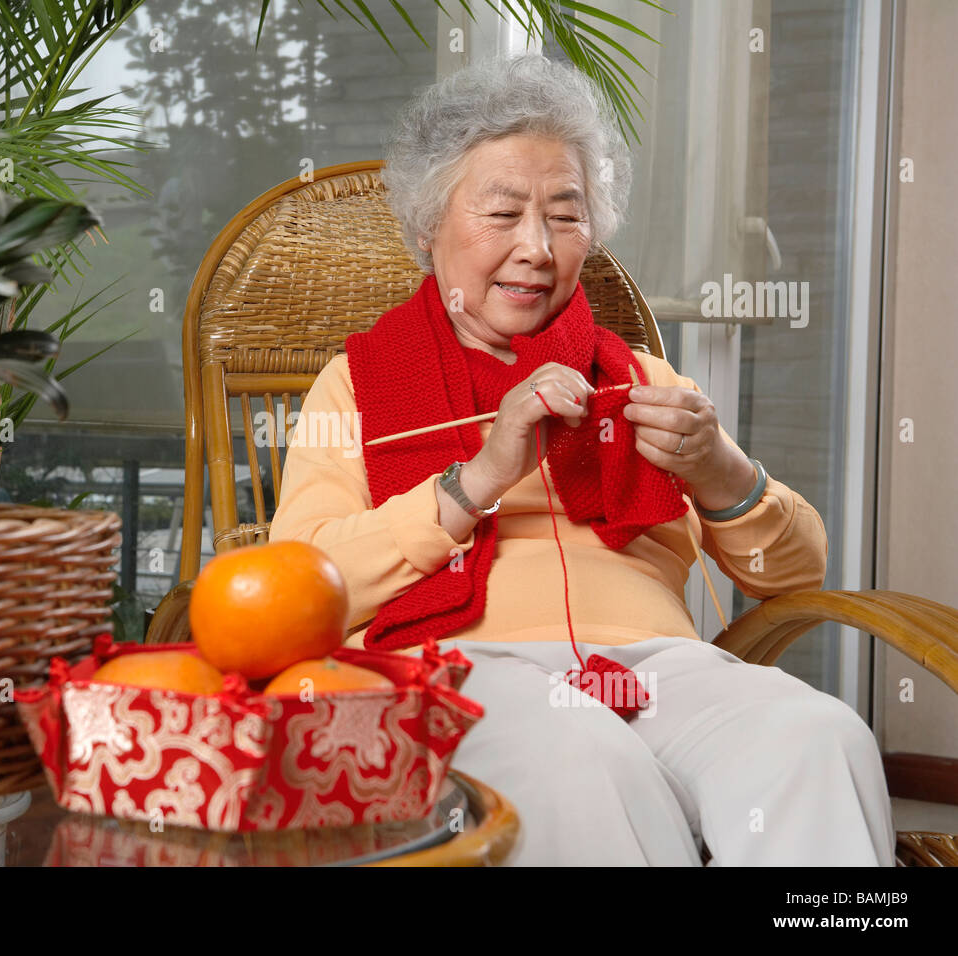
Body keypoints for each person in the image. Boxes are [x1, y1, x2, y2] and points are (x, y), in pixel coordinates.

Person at [267, 53, 894, 866]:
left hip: (662, 669)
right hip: (463, 673)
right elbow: (301, 583)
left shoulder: (642, 380)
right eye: (503, 213)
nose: (536, 246)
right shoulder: (356, 385)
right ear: (428, 227)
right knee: (582, 757)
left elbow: (794, 573)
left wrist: (720, 472)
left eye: (565, 215)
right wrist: (476, 481)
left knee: (821, 736)